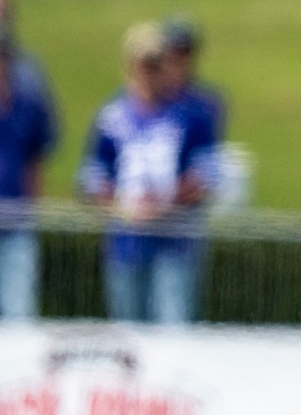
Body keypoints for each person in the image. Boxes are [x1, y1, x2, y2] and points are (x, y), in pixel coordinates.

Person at [78, 22, 216, 324]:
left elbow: (206, 175)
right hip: (126, 243)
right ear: (131, 66)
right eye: (144, 65)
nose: (150, 73)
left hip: (174, 244)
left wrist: (164, 204)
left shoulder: (191, 115)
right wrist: (121, 208)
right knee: (128, 333)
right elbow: (92, 176)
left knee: (173, 330)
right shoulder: (111, 117)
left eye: (156, 64)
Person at [0, 21, 56, 319]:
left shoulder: (26, 107)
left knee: (18, 310)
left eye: (2, 57)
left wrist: (33, 207)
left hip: (14, 221)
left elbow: (36, 158)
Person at [159, 15, 224, 143]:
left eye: (184, 53)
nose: (179, 60)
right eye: (173, 53)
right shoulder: (144, 102)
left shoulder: (207, 103)